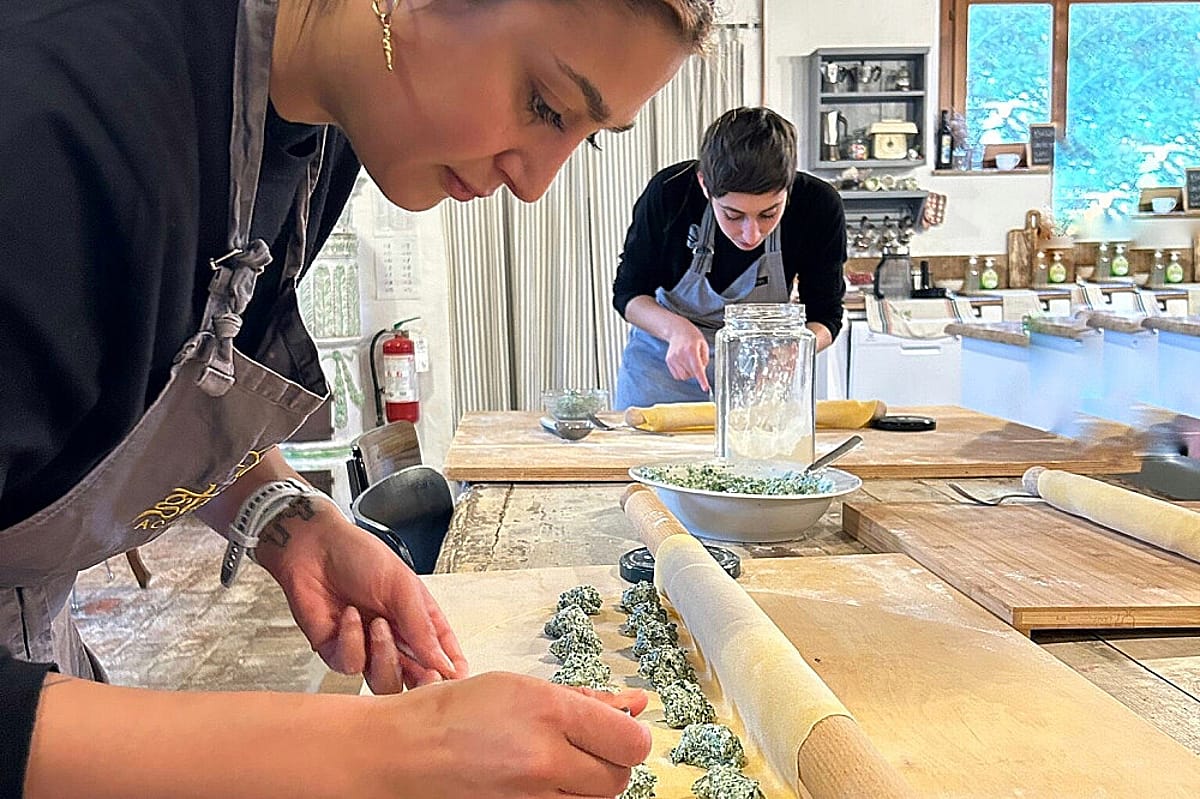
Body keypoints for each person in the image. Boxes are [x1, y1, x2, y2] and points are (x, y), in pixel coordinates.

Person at [0, 0, 710, 796]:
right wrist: (404, 747)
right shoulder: (45, 115)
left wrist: (285, 516)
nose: (536, 183)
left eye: (582, 135)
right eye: (543, 104)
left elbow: (154, 365)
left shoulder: (321, 118)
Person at [612, 106, 847, 408]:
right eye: (733, 215)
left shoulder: (817, 206)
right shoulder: (671, 193)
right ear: (704, 185)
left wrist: (793, 348)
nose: (751, 234)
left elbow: (826, 315)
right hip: (664, 372)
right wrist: (676, 329)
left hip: (759, 374)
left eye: (769, 213)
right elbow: (628, 293)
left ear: (788, 189)